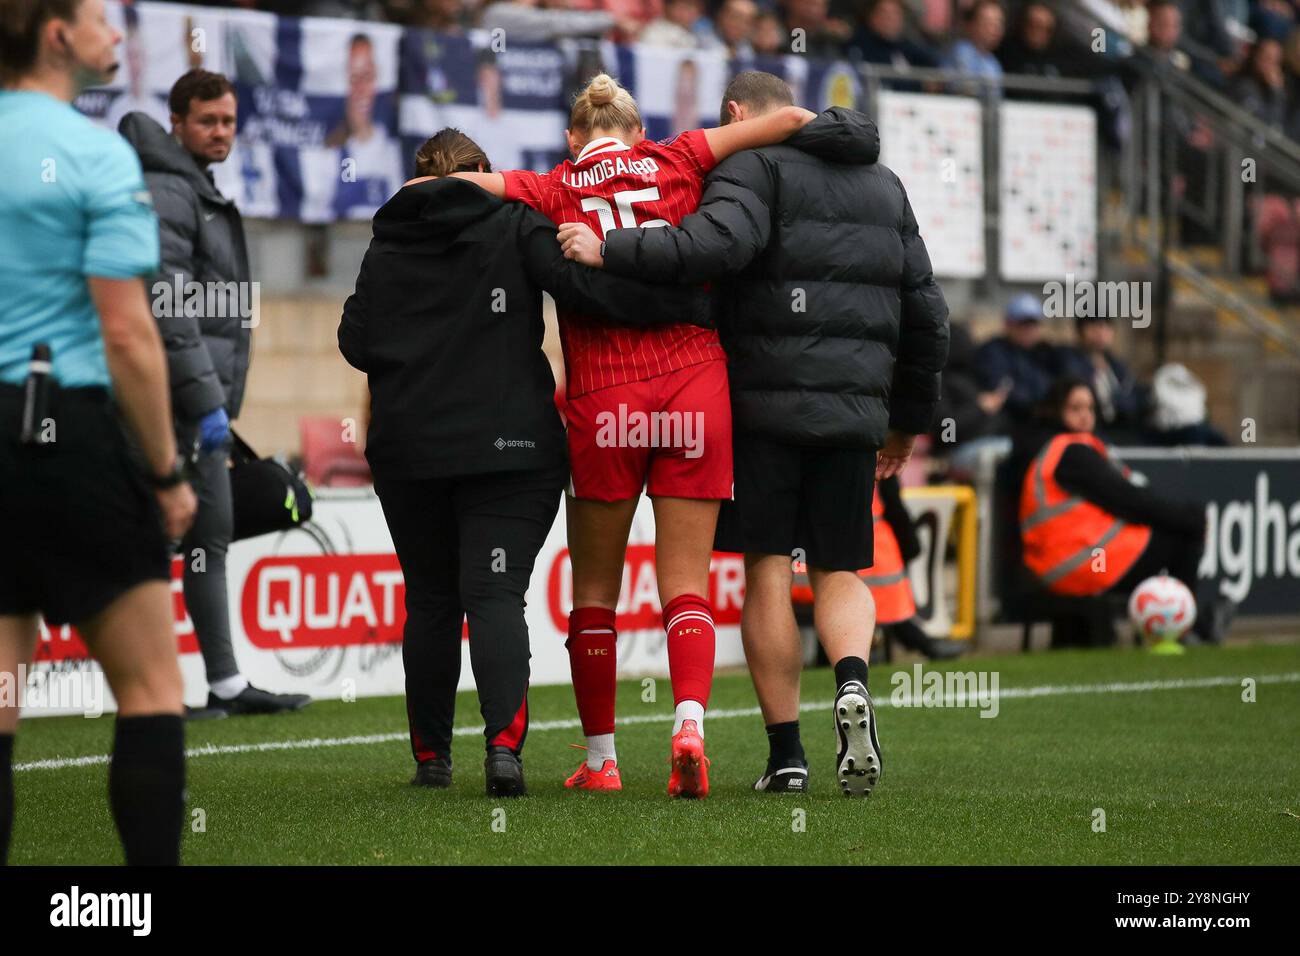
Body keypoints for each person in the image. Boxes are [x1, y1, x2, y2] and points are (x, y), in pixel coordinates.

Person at [558, 70, 949, 796]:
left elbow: (709, 250)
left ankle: (788, 755)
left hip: (761, 409)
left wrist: (610, 249)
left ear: (737, 113)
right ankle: (854, 680)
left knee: (769, 566)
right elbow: (927, 312)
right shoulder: (883, 183)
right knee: (840, 568)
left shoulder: (748, 166)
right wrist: (905, 423)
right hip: (855, 413)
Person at [443, 73, 815, 798]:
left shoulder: (552, 185)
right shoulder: (679, 157)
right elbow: (792, 119)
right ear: (637, 133)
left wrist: (420, 194)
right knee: (688, 586)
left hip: (604, 393)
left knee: (594, 594)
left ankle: (603, 759)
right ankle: (688, 726)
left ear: (573, 139)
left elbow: (476, 188)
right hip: (694, 381)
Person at [339, 129, 709, 796]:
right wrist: (683, 304)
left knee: (429, 602)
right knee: (494, 594)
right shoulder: (515, 222)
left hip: (410, 450)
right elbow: (582, 291)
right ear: (483, 173)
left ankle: (431, 762)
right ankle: (504, 755)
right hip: (510, 449)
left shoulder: (389, 240)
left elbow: (356, 343)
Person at [0, 0, 197, 865]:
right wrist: (165, 473)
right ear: (55, 34)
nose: (118, 33)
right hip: (66, 428)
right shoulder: (94, 151)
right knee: (152, 689)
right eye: (101, 18)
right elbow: (127, 336)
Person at [120, 71, 312, 719]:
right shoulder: (169, 192)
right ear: (177, 121)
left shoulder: (197, 190)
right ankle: (151, 686)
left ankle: (223, 683)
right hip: (171, 404)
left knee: (209, 534)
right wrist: (203, 402)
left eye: (229, 121)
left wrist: (218, 407)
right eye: (208, 121)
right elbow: (168, 307)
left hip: (200, 404)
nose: (221, 132)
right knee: (157, 538)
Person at [1016, 377, 1233, 645]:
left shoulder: (1053, 450)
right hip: (1079, 563)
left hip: (1057, 563)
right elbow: (1130, 500)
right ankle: (1185, 627)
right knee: (1183, 535)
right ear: (1056, 410)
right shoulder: (1072, 452)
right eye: (1075, 408)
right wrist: (1190, 518)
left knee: (1176, 528)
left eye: (1090, 408)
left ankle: (1192, 622)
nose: (1085, 416)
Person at [974, 293, 1061, 425]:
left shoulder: (1044, 352)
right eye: (1023, 324)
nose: (1028, 330)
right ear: (1008, 325)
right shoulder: (993, 352)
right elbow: (1002, 392)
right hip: (1007, 424)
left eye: (1033, 325)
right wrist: (1039, 406)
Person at [1058, 315, 1146, 443]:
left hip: (1123, 429)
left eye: (1106, 326)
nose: (1101, 332)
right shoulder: (1069, 361)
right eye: (1094, 325)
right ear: (1081, 330)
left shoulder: (1117, 366)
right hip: (1092, 431)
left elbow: (1132, 400)